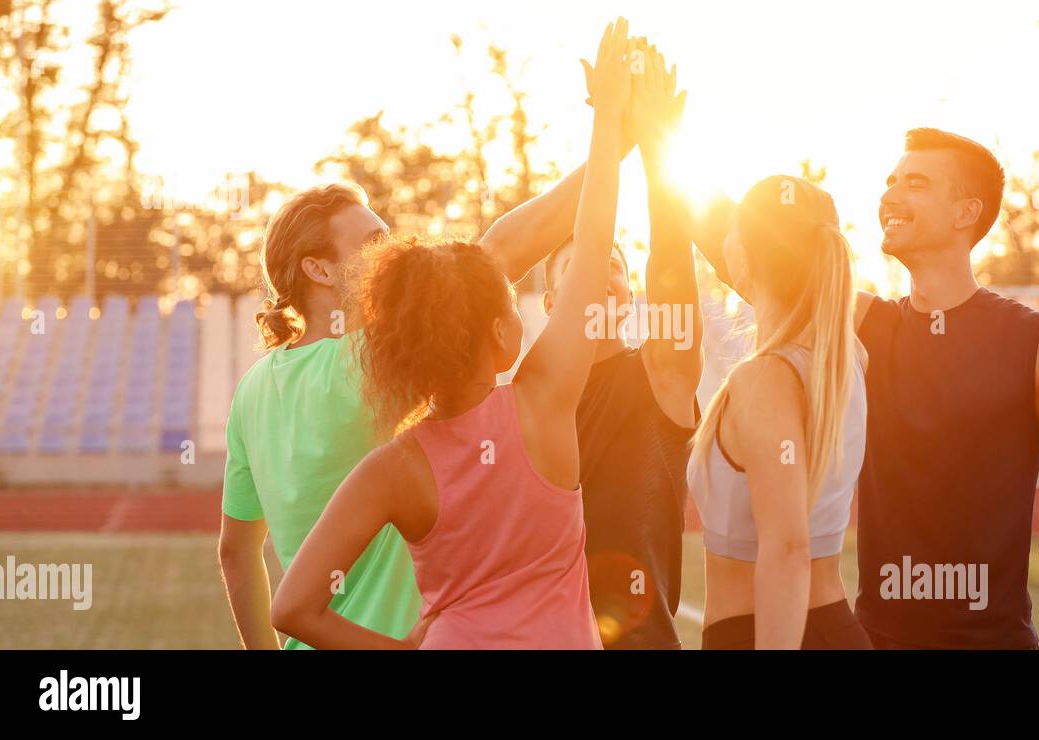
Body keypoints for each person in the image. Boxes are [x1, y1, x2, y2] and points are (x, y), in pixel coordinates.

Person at [269, 18, 635, 649]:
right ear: (502, 335)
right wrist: (610, 124)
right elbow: (596, 232)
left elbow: (293, 610)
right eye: (513, 308)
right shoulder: (544, 402)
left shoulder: (394, 469)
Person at [217, 116, 596, 651]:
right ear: (320, 271)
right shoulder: (369, 361)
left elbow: (236, 551)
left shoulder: (251, 391)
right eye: (374, 244)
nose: (393, 256)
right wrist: (609, 155)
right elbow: (491, 261)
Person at [851, 128, 1039, 649]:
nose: (890, 195)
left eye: (915, 183)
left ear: (966, 212)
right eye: (891, 180)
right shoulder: (860, 324)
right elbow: (758, 260)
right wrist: (650, 148)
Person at [541, 45, 701, 649]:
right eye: (581, 266)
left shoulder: (659, 374)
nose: (602, 272)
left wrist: (658, 147)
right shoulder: (531, 394)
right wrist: (605, 125)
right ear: (553, 302)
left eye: (615, 266)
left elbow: (670, 267)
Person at [687, 175, 872, 650]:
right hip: (829, 628)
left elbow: (789, 549)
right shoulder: (846, 356)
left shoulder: (765, 378)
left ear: (743, 257)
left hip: (764, 635)